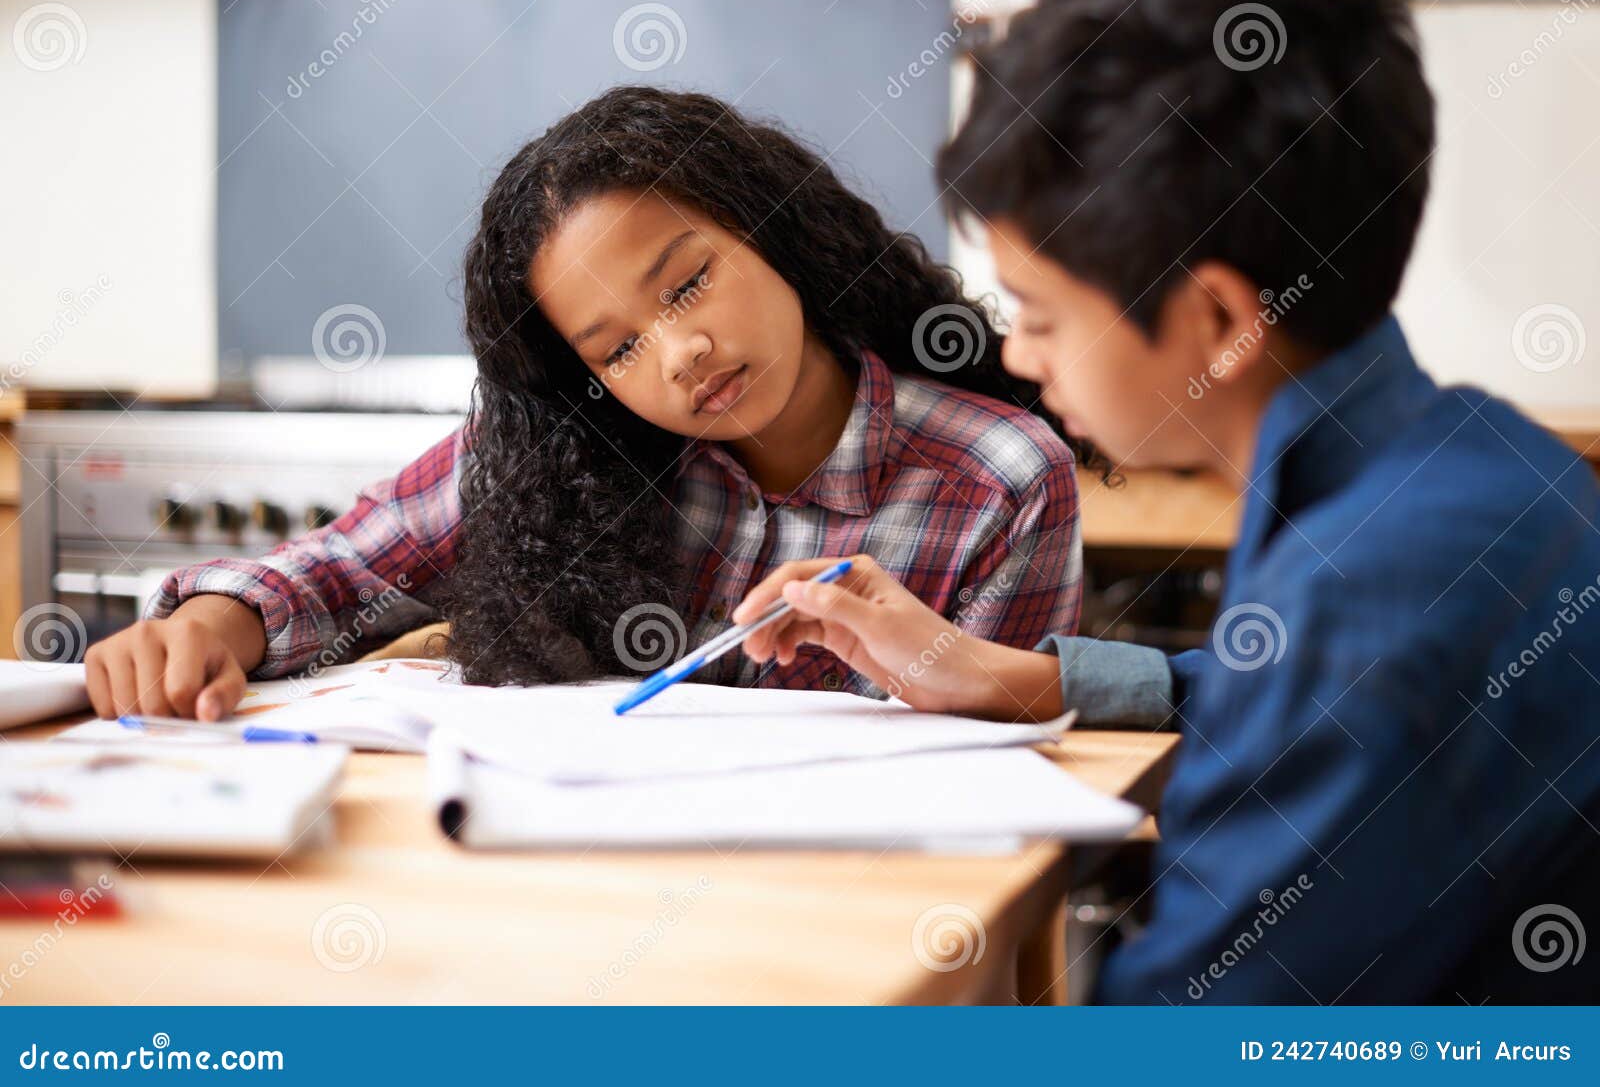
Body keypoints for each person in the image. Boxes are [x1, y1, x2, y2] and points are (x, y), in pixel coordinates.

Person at [734, 0, 1600, 1002]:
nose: (1014, 354)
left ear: (1222, 320)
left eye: (1041, 314)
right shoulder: (1483, 456)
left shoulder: (1360, 597)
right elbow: (1294, 696)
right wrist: (1014, 676)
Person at [84, 87, 1083, 720]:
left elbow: (1014, 750)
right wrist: (218, 621)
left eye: (689, 283)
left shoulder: (997, 477)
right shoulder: (567, 451)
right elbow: (342, 566)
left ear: (776, 232)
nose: (682, 354)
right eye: (618, 348)